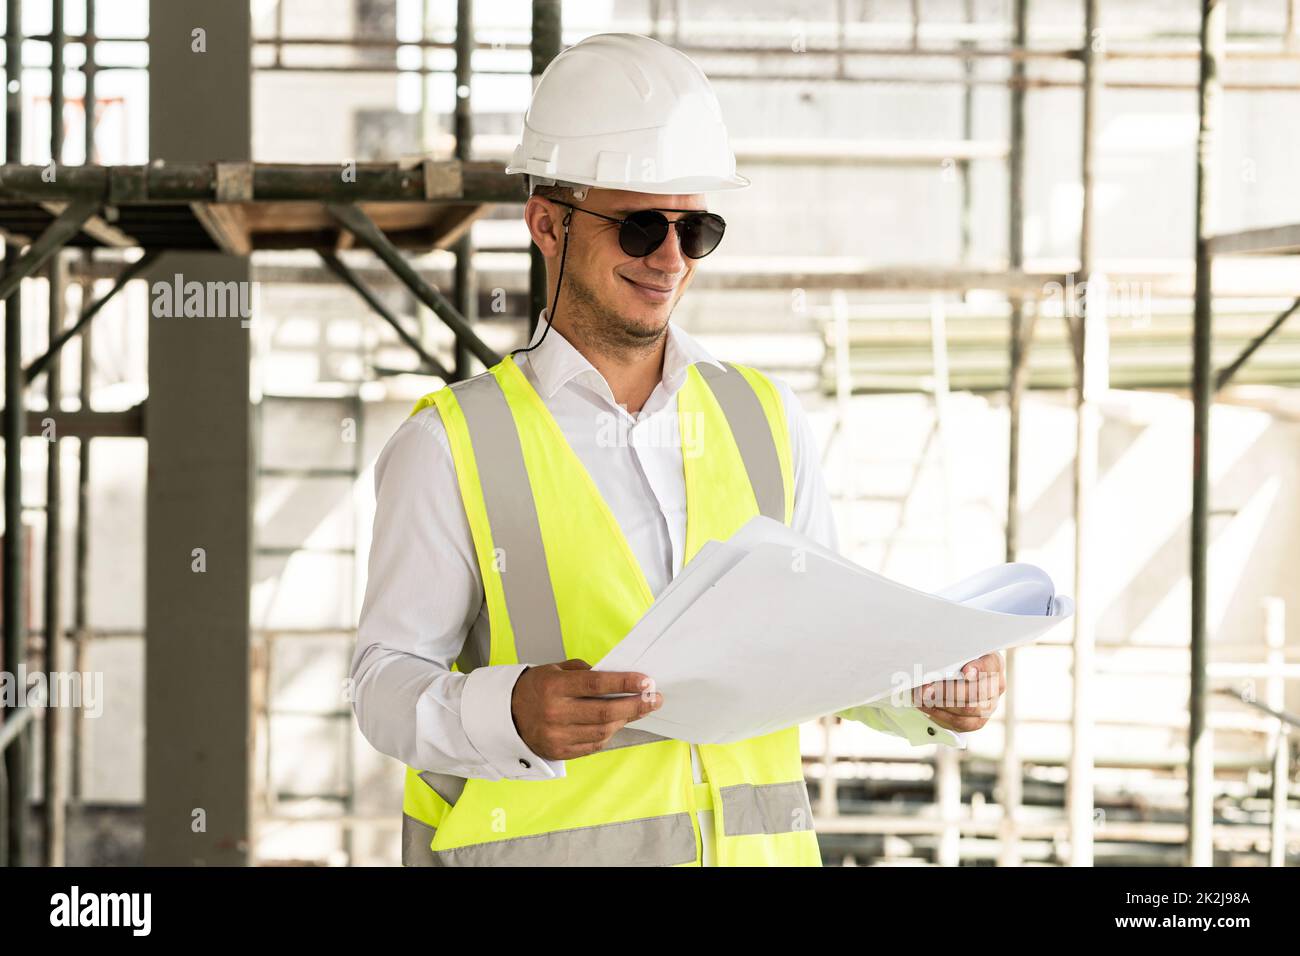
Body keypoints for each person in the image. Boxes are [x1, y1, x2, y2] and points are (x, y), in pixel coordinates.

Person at [350, 32, 1005, 867]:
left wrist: (922, 686)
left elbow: (824, 648)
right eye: (638, 227)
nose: (669, 257)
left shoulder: (764, 419)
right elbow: (380, 686)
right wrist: (506, 711)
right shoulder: (449, 446)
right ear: (546, 224)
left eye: (695, 228)